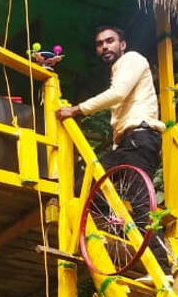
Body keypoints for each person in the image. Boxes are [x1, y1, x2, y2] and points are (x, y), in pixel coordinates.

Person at [57, 25, 170, 271]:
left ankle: (164, 267)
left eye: (110, 41)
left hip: (140, 138)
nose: (105, 46)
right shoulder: (121, 68)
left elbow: (117, 94)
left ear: (123, 44)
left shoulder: (132, 59)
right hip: (130, 143)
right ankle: (115, 219)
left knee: (141, 205)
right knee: (87, 182)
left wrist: (76, 109)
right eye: (100, 43)